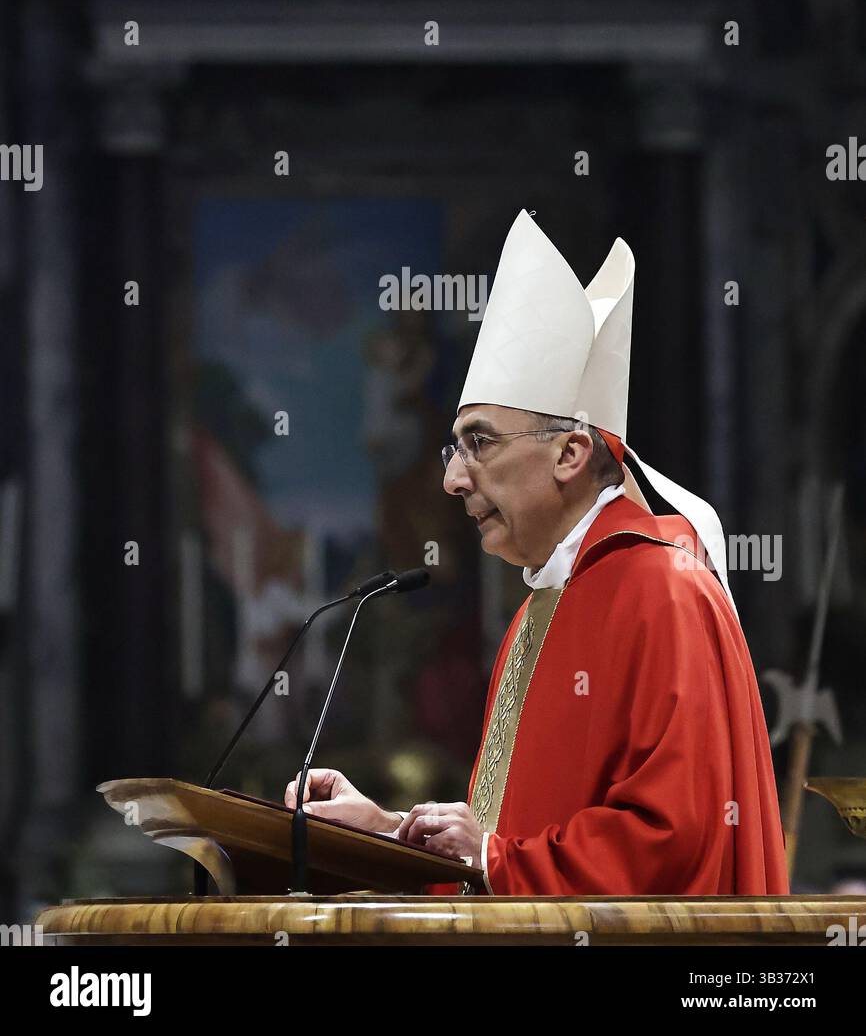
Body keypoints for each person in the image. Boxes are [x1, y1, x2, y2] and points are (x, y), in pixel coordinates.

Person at [286, 210, 789, 895]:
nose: (452, 478)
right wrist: (386, 833)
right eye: (452, 447)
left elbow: (673, 836)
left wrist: (489, 860)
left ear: (571, 453)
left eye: (481, 442)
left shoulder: (663, 588)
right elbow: (510, 847)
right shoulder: (539, 610)